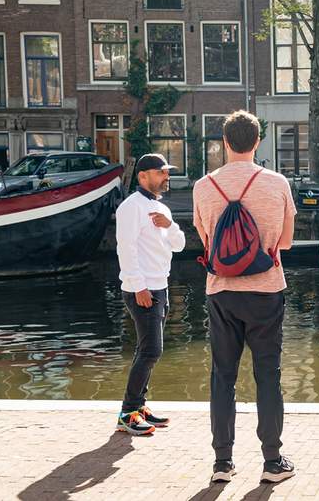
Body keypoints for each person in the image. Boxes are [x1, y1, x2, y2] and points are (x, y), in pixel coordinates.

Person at [193, 110, 297, 485]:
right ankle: (272, 462)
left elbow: (206, 241)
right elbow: (284, 242)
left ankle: (222, 462)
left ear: (224, 142)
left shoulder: (204, 186)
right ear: (257, 142)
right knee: (268, 374)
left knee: (223, 375)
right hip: (266, 290)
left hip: (221, 292)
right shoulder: (277, 183)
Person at [114, 153, 185, 436]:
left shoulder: (161, 209)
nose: (166, 177)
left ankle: (138, 407)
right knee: (152, 350)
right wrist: (138, 286)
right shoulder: (131, 207)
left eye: (166, 172)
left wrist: (170, 226)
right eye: (161, 172)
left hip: (160, 286)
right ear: (143, 176)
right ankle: (128, 412)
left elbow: (178, 245)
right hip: (142, 290)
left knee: (146, 350)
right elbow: (125, 249)